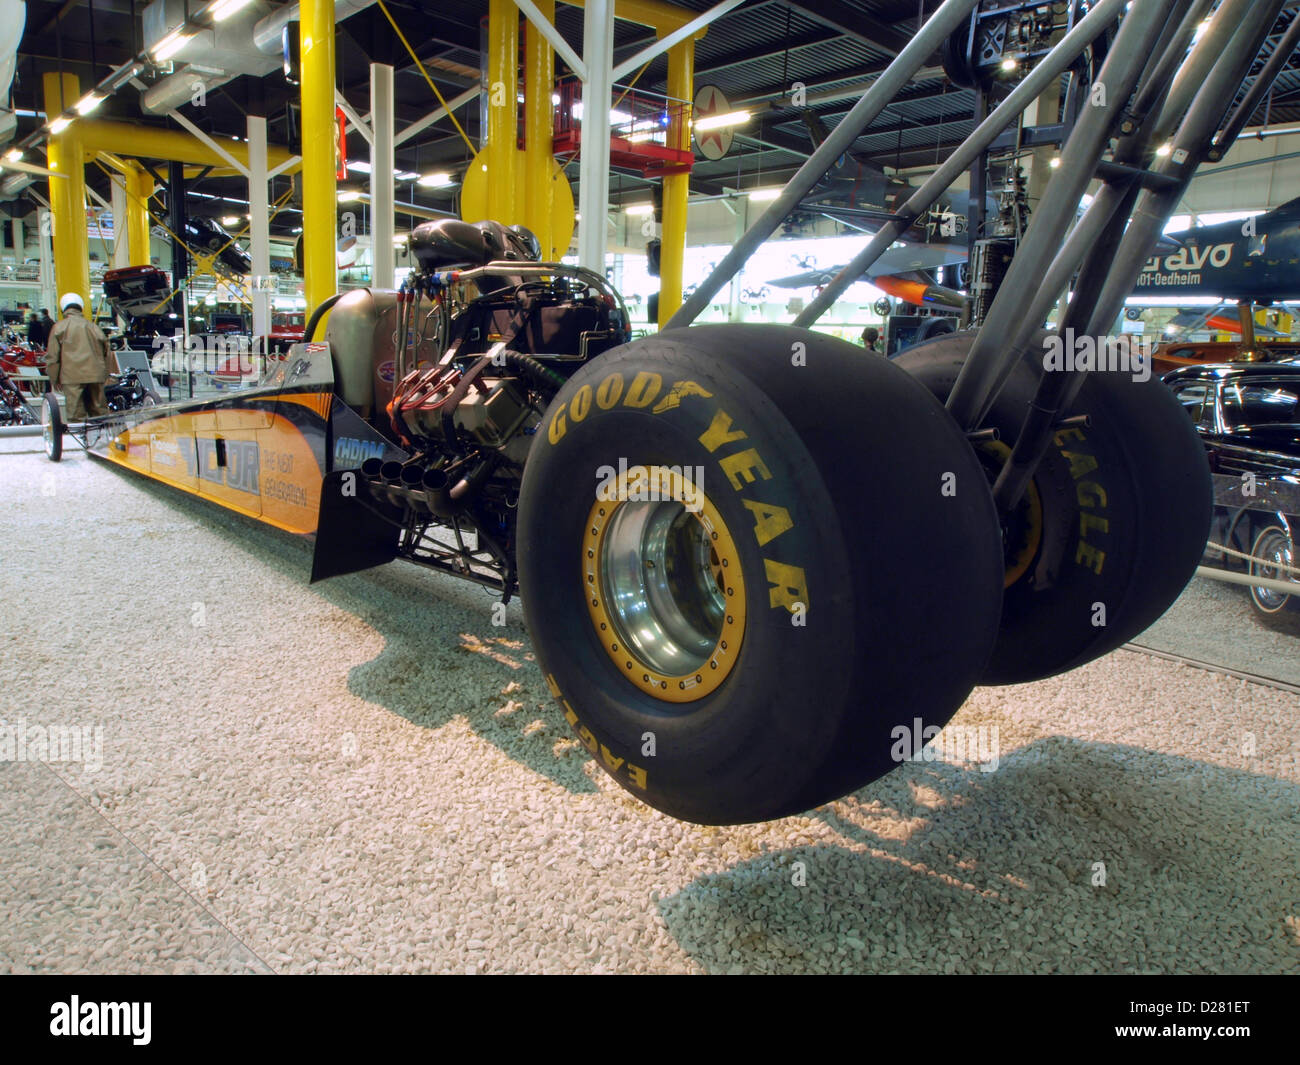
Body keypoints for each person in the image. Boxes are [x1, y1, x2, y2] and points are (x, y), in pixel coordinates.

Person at [46, 293, 113, 420]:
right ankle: (103, 438)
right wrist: (105, 374)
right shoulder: (94, 327)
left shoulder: (59, 328)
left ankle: (80, 439)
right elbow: (106, 352)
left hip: (71, 377)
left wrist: (54, 379)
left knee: (76, 416)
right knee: (100, 414)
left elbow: (53, 358)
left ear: (63, 308)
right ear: (81, 307)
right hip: (96, 375)